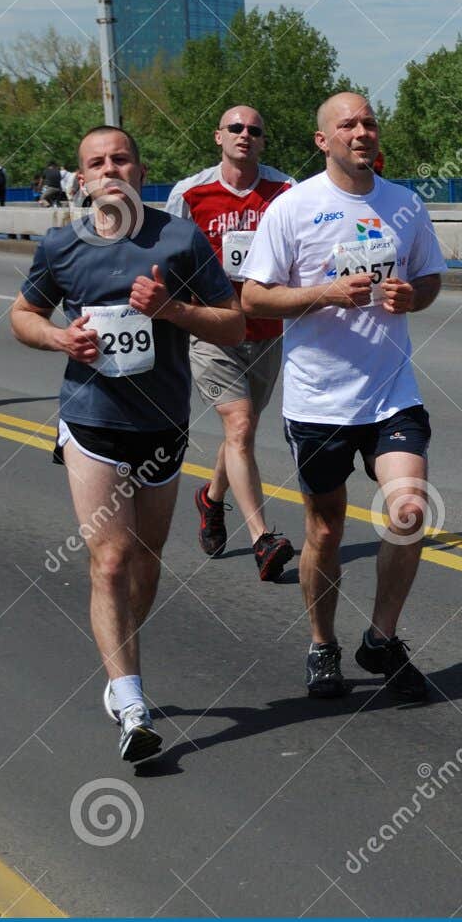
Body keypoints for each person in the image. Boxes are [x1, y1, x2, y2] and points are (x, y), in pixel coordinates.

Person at [10, 125, 243, 764]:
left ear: (140, 170)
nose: (109, 169)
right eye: (95, 162)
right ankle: (131, 699)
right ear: (81, 179)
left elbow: (233, 322)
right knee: (109, 560)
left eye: (120, 159)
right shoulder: (62, 244)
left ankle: (123, 661)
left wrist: (171, 310)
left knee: (144, 560)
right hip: (91, 418)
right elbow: (22, 316)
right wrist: (59, 339)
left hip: (162, 423)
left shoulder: (179, 236)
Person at [240, 92, 447, 704]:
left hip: (390, 394)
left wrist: (415, 297)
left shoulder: (405, 204)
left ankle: (381, 639)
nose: (361, 132)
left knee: (409, 511)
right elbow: (254, 299)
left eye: (369, 123)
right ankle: (322, 643)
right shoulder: (292, 208)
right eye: (347, 124)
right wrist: (325, 294)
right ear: (322, 140)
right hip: (319, 403)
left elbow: (431, 277)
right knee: (326, 531)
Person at [166, 105, 297, 581]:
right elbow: (168, 253)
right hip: (213, 329)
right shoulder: (190, 192)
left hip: (266, 330)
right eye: (236, 128)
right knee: (239, 426)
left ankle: (211, 498)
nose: (245, 135)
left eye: (255, 130)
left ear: (263, 141)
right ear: (218, 135)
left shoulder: (285, 191)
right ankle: (264, 539)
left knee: (240, 432)